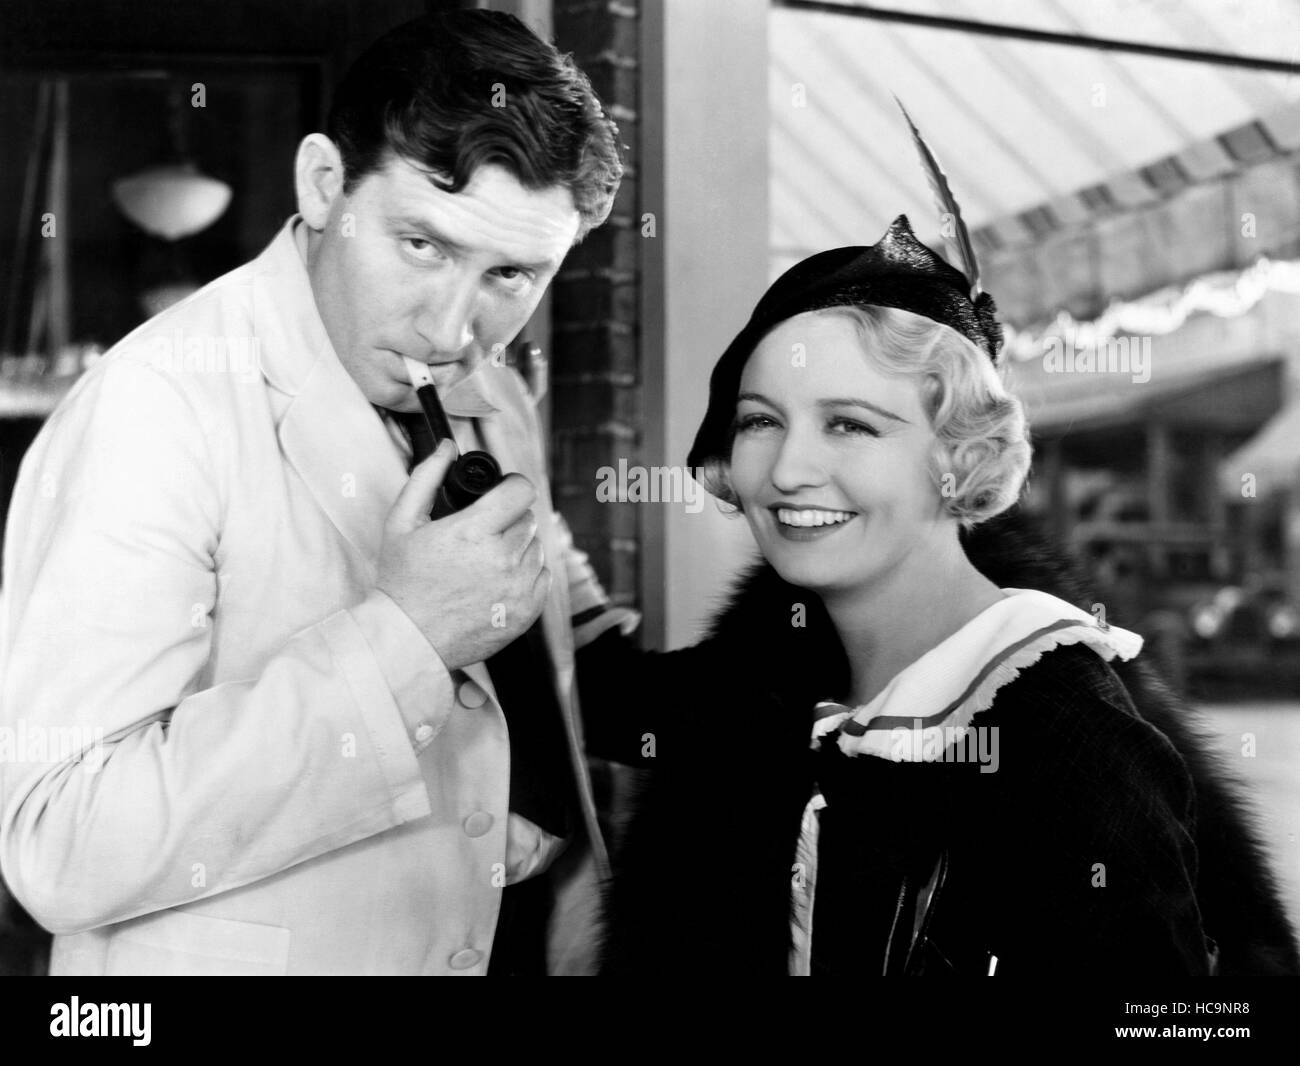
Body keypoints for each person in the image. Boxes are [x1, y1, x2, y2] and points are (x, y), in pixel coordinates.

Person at [0, 10, 630, 976]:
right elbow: (60, 841)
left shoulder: (492, 386)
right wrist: (405, 639)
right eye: (423, 245)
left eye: (512, 273)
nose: (455, 326)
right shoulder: (156, 405)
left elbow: (541, 606)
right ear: (325, 184)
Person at [579, 215, 1300, 976]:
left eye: (850, 424)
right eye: (760, 420)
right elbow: (626, 701)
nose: (788, 469)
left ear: (961, 458)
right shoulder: (775, 675)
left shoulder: (1070, 742)